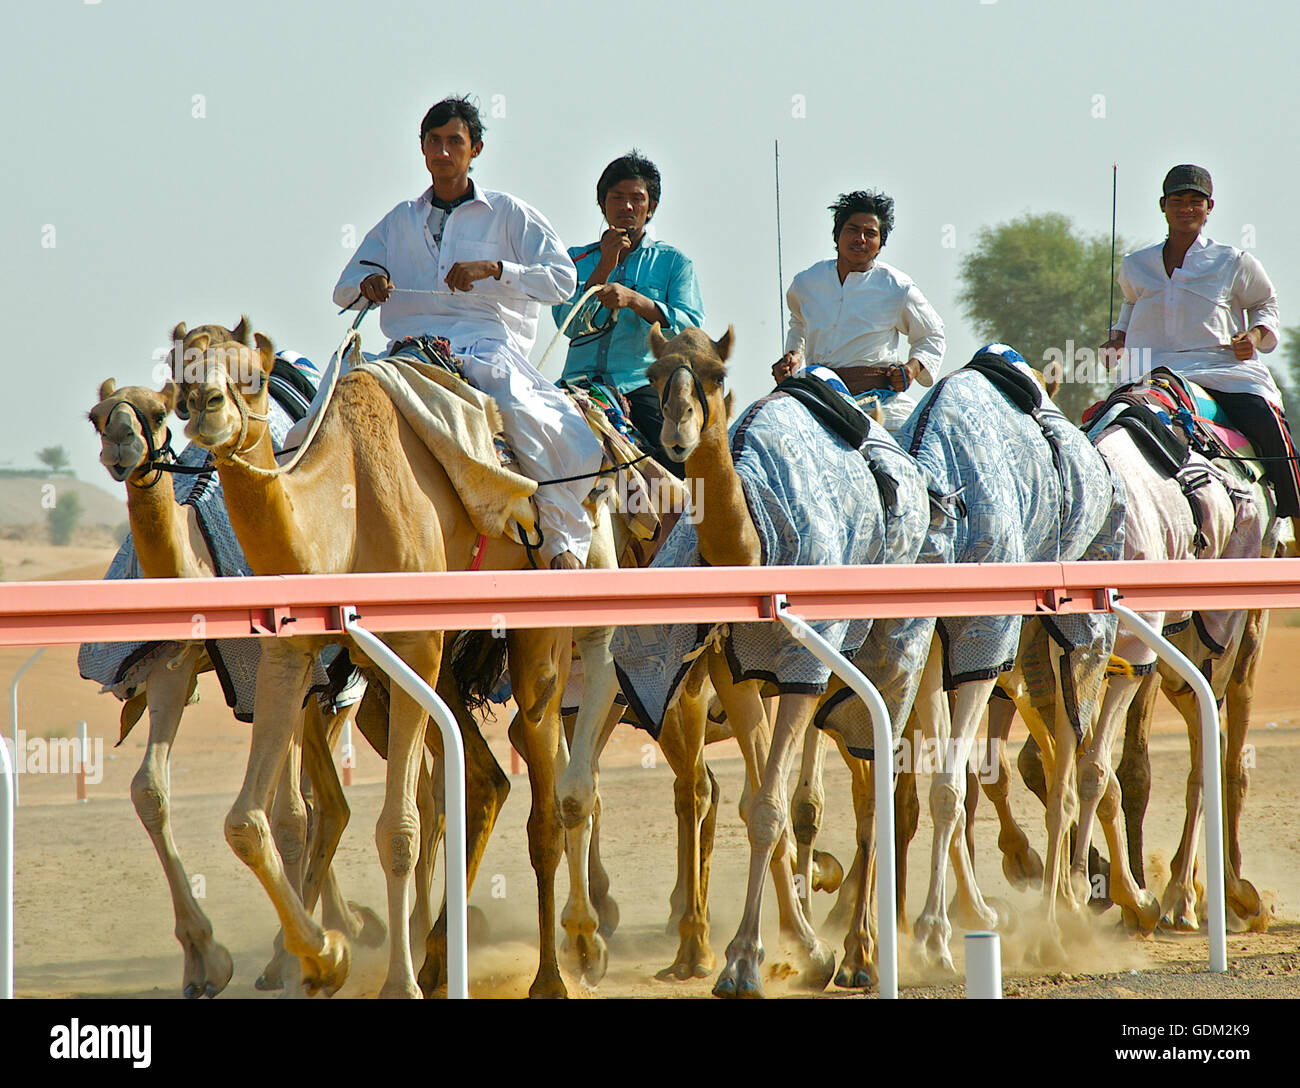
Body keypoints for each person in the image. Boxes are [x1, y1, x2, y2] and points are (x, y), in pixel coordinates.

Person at [333, 96, 603, 569]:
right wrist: (369, 285)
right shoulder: (400, 220)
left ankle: (563, 540)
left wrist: (495, 269)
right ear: (421, 148)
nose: (443, 152)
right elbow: (344, 290)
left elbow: (563, 280)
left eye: (454, 142)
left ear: (475, 148)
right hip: (407, 352)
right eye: (433, 142)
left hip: (484, 347)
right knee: (333, 399)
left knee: (526, 415)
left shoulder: (507, 212)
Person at [1101, 164, 1298, 518]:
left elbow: (1265, 303)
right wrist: (1117, 338)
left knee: (1267, 423)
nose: (1186, 208)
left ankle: (1295, 513)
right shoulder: (1136, 264)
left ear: (1210, 207)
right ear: (1163, 205)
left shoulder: (1232, 261)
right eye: (1178, 199)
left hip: (1220, 371)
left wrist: (1253, 336)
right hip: (1150, 372)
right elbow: (1132, 304)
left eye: (1196, 200)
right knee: (1101, 428)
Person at [553, 151, 705, 477]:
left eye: (637, 199)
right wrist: (605, 264)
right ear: (602, 204)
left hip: (641, 385)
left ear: (651, 209)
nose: (627, 207)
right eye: (617, 197)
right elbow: (567, 324)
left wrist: (637, 301)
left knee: (680, 460)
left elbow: (689, 327)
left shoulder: (674, 263)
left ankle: (679, 526)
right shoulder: (576, 260)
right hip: (576, 384)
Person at [772, 190, 944, 431]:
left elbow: (932, 335)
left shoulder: (897, 287)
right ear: (837, 235)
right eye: (852, 230)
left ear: (880, 245)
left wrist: (911, 369)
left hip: (879, 406)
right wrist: (793, 358)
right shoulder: (807, 282)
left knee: (902, 460)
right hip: (817, 401)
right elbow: (799, 324)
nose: (860, 238)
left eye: (870, 233)